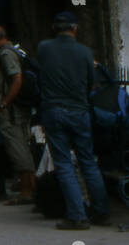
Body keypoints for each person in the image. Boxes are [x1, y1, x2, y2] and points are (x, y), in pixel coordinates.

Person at [34, 12, 109, 229]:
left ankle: (77, 216)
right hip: (79, 111)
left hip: (54, 110)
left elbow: (41, 75)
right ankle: (102, 211)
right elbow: (91, 84)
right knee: (88, 161)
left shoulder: (44, 48)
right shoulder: (84, 52)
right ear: (75, 28)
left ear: (54, 28)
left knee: (64, 163)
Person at [0, 24, 37, 206]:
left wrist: (4, 103)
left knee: (17, 149)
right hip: (15, 110)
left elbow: (16, 78)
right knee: (20, 148)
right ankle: (29, 188)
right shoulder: (14, 50)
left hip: (11, 112)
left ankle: (26, 191)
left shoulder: (6, 54)